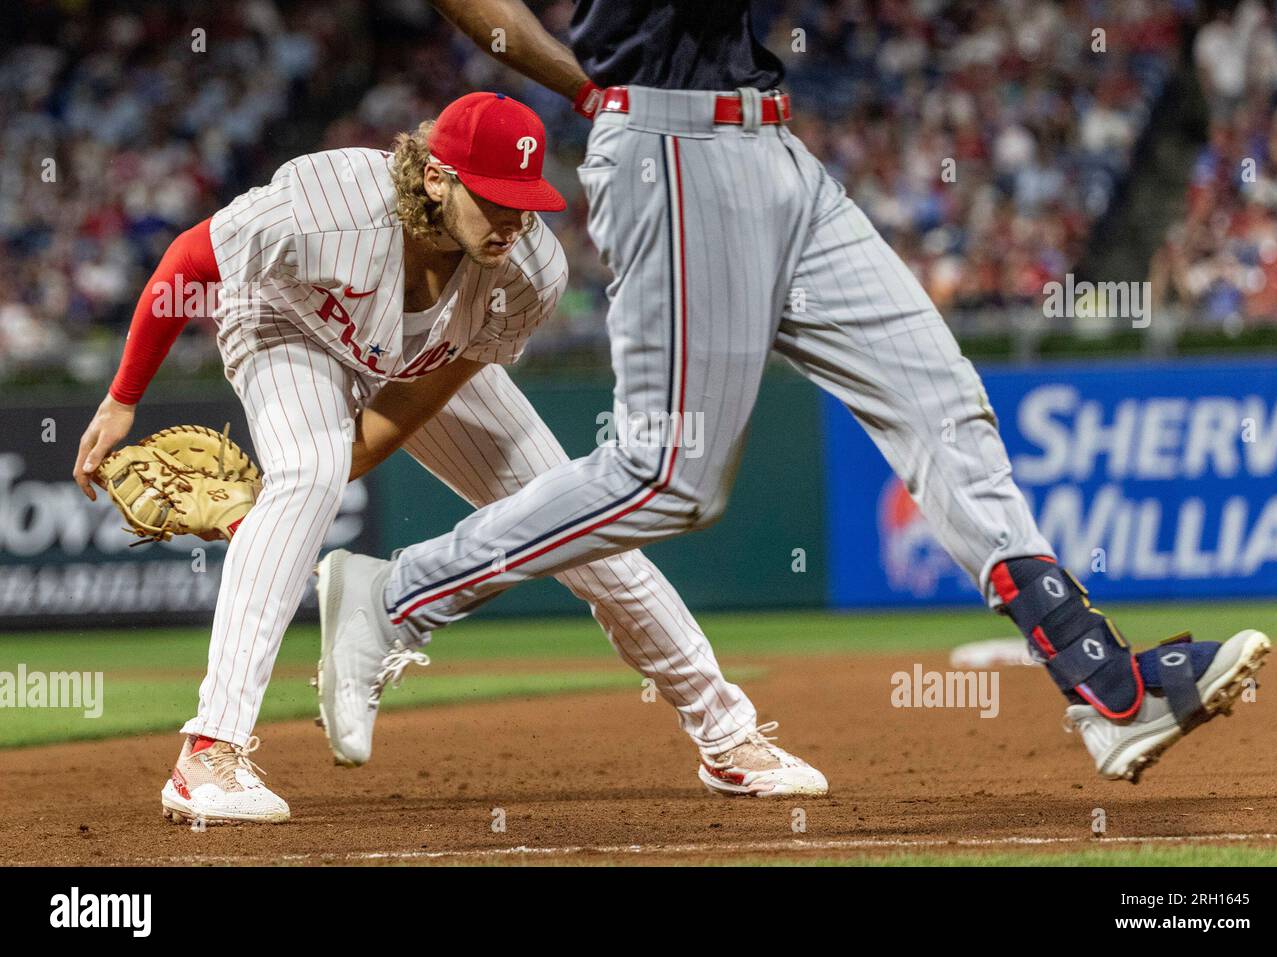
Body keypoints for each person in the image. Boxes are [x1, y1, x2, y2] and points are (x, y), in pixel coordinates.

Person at [317, 0, 1271, 785]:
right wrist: (587, 85)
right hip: (672, 148)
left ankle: (1099, 680)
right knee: (667, 473)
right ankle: (396, 597)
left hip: (770, 144)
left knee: (944, 403)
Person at [74, 92, 826, 825]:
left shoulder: (528, 273)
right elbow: (186, 260)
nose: (513, 217)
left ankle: (729, 736)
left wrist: (258, 507)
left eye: (526, 197)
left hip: (416, 359)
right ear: (436, 178)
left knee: (584, 517)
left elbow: (399, 412)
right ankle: (209, 750)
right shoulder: (322, 204)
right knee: (310, 472)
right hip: (285, 320)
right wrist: (123, 399)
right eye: (495, 197)